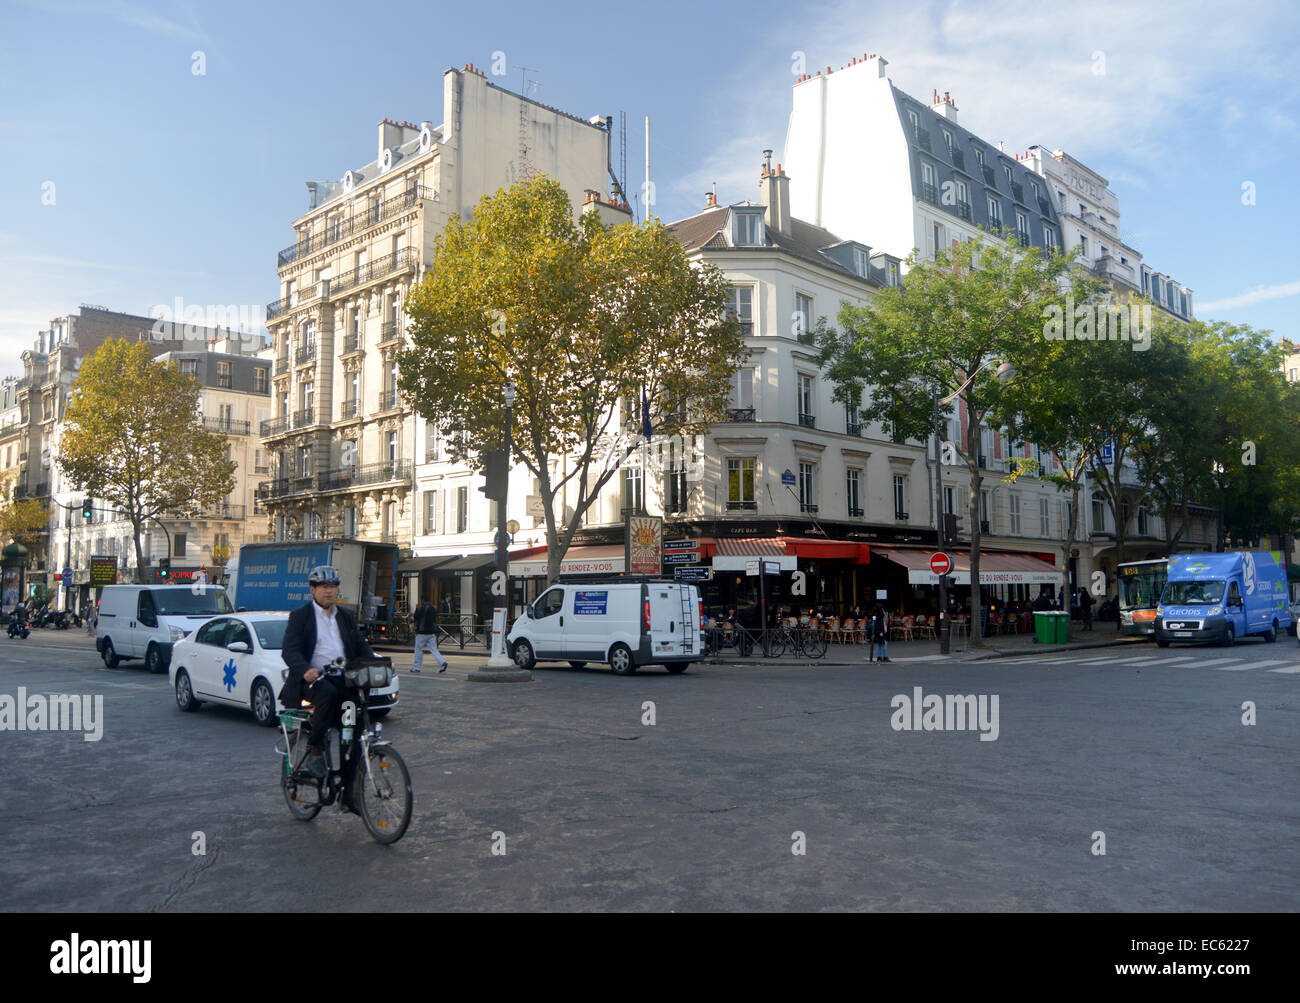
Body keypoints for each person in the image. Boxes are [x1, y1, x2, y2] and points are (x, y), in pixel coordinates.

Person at [280, 565, 376, 815]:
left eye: (332, 587)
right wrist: (304, 669)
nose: (328, 591)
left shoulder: (344, 616)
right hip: (312, 680)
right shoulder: (300, 616)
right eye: (323, 587)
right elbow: (289, 650)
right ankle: (314, 749)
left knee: (354, 729)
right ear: (312, 590)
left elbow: (360, 645)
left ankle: (348, 791)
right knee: (328, 694)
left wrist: (376, 662)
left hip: (343, 679)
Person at [411, 597, 449, 673]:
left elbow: (416, 617)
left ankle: (416, 667)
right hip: (431, 632)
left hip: (422, 632)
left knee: (418, 650)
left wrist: (417, 609)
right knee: (434, 649)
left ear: (423, 601)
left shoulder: (423, 608)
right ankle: (442, 662)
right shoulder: (434, 608)